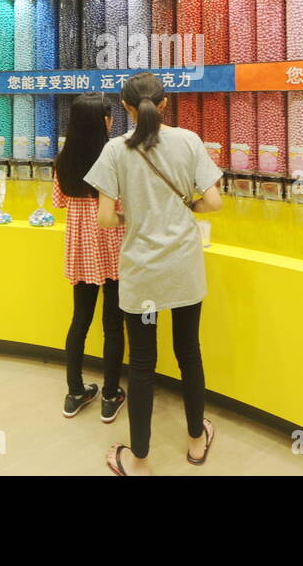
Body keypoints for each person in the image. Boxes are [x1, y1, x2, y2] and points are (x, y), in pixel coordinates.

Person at [83, 72, 224, 476]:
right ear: (164, 105)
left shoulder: (115, 150)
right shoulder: (189, 141)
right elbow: (214, 202)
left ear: (126, 108)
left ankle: (140, 459)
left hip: (143, 275)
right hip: (183, 270)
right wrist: (189, 209)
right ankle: (197, 440)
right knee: (189, 353)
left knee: (142, 364)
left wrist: (136, 216)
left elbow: (107, 219)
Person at [53, 93, 127, 423]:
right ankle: (110, 396)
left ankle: (75, 392)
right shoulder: (115, 159)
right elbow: (124, 206)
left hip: (81, 249)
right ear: (105, 122)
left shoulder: (63, 160)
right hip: (113, 247)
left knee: (79, 320)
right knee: (113, 324)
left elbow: (59, 202)